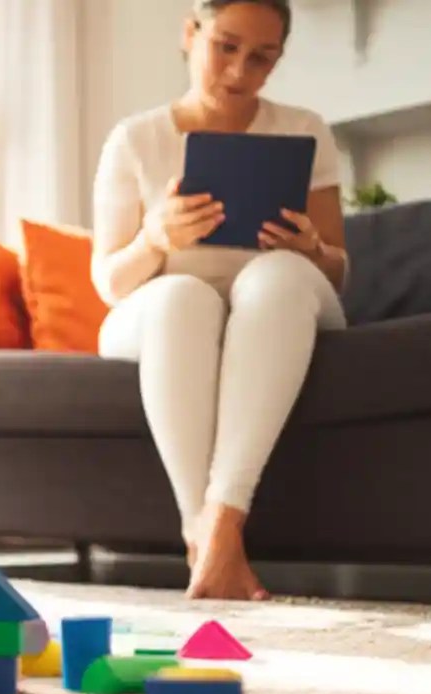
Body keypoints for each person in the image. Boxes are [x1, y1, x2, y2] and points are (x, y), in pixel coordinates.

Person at [91, 0, 348, 601]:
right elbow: (108, 282)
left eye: (263, 58)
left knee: (275, 276)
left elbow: (337, 273)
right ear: (191, 33)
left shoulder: (304, 129)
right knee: (183, 296)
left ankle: (223, 521)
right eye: (225, 47)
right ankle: (201, 538)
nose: (239, 72)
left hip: (279, 299)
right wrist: (155, 237)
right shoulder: (135, 140)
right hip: (163, 310)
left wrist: (310, 247)